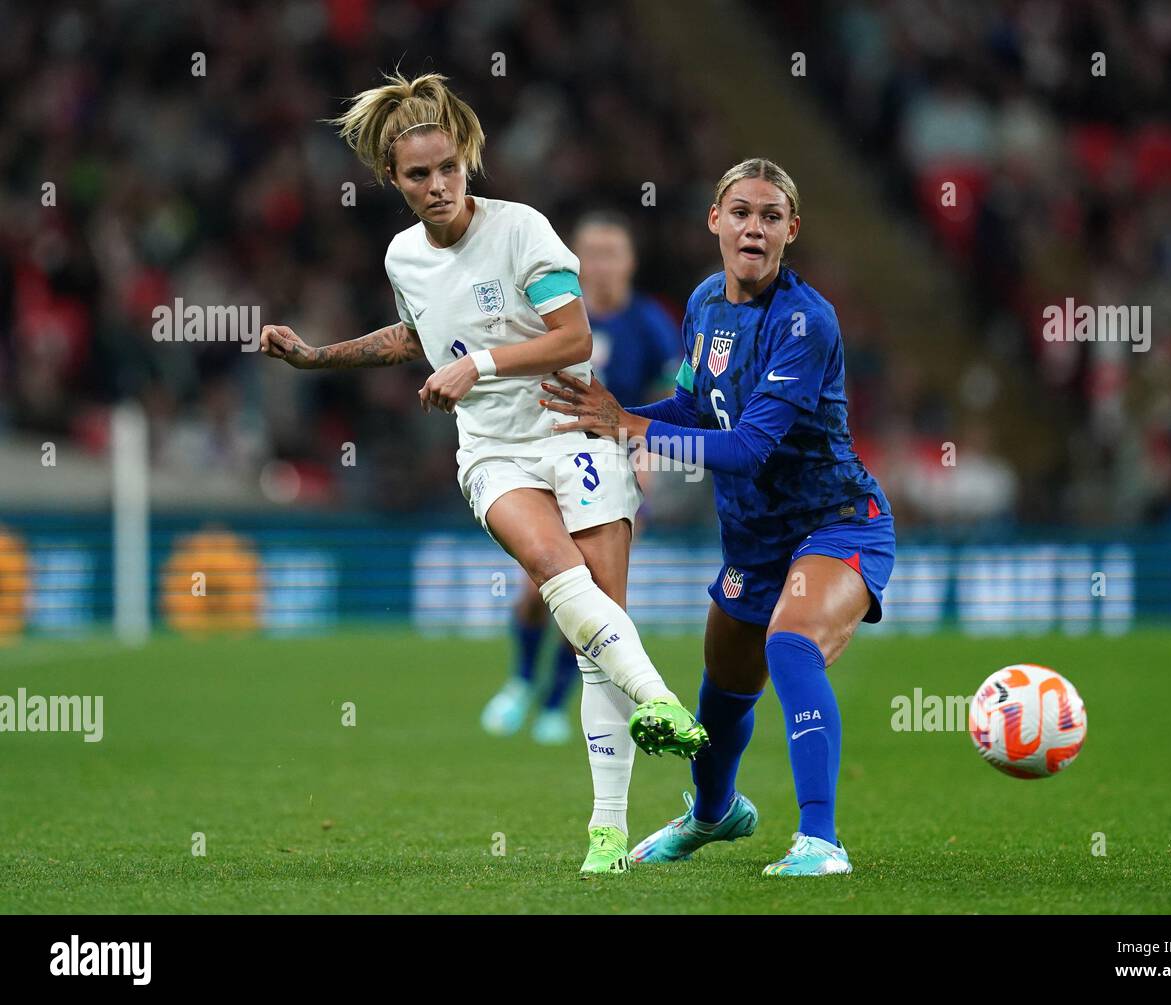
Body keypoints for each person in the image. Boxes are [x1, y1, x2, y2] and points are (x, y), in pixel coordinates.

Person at [259, 70, 706, 876]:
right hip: (494, 451)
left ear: (467, 161)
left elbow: (573, 338)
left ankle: (606, 832)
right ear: (391, 181)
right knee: (553, 571)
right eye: (417, 175)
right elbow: (415, 335)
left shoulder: (522, 230)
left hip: (574, 428)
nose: (436, 186)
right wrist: (318, 358)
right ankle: (663, 703)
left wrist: (483, 364)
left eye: (447, 169)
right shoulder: (403, 255)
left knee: (595, 627)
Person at [541, 157, 895, 876]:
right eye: (741, 212)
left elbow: (744, 447)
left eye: (770, 216)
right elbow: (691, 409)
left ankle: (821, 841)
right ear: (716, 220)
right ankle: (713, 814)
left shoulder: (806, 320)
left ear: (791, 230)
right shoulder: (704, 304)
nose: (754, 227)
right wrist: (611, 417)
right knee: (722, 692)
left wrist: (628, 428)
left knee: (789, 644)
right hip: (754, 540)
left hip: (834, 521)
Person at [481, 211, 681, 745]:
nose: (600, 264)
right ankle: (521, 682)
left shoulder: (649, 323)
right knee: (537, 591)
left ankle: (553, 704)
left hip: (614, 466)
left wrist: (650, 458)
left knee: (597, 601)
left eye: (612, 253)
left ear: (630, 263)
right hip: (550, 459)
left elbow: (671, 397)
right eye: (591, 253)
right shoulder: (555, 317)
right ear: (574, 260)